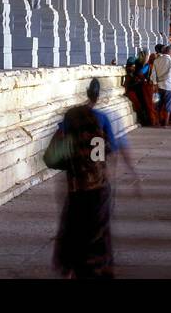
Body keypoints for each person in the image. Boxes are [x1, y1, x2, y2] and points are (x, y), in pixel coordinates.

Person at [51, 77, 141, 279]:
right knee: (98, 228)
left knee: (73, 225)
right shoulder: (103, 118)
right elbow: (110, 152)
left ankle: (70, 267)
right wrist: (124, 174)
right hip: (96, 184)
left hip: (75, 184)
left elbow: (58, 145)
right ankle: (98, 266)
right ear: (99, 96)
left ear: (86, 93)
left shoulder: (71, 117)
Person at [149, 43, 171, 126]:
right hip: (169, 86)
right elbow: (169, 74)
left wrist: (156, 83)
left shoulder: (156, 61)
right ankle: (166, 124)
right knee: (168, 104)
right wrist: (161, 80)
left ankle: (158, 122)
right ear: (170, 52)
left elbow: (153, 74)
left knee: (157, 104)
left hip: (157, 87)